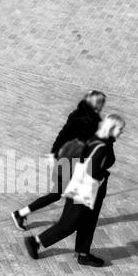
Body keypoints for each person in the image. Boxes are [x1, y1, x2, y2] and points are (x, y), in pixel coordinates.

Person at [24, 114, 125, 267]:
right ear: (111, 128)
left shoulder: (101, 140)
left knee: (89, 222)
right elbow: (89, 168)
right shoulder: (101, 145)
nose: (121, 132)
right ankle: (35, 242)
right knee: (68, 224)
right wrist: (100, 179)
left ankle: (83, 254)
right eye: (120, 129)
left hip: (92, 189)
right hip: (85, 188)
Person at [11, 90, 106, 229]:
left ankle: (25, 214)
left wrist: (54, 153)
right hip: (70, 161)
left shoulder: (81, 115)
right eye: (101, 102)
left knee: (63, 193)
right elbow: (65, 135)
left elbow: (63, 134)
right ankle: (24, 214)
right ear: (95, 103)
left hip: (69, 159)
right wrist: (54, 153)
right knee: (62, 193)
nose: (103, 105)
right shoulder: (86, 119)